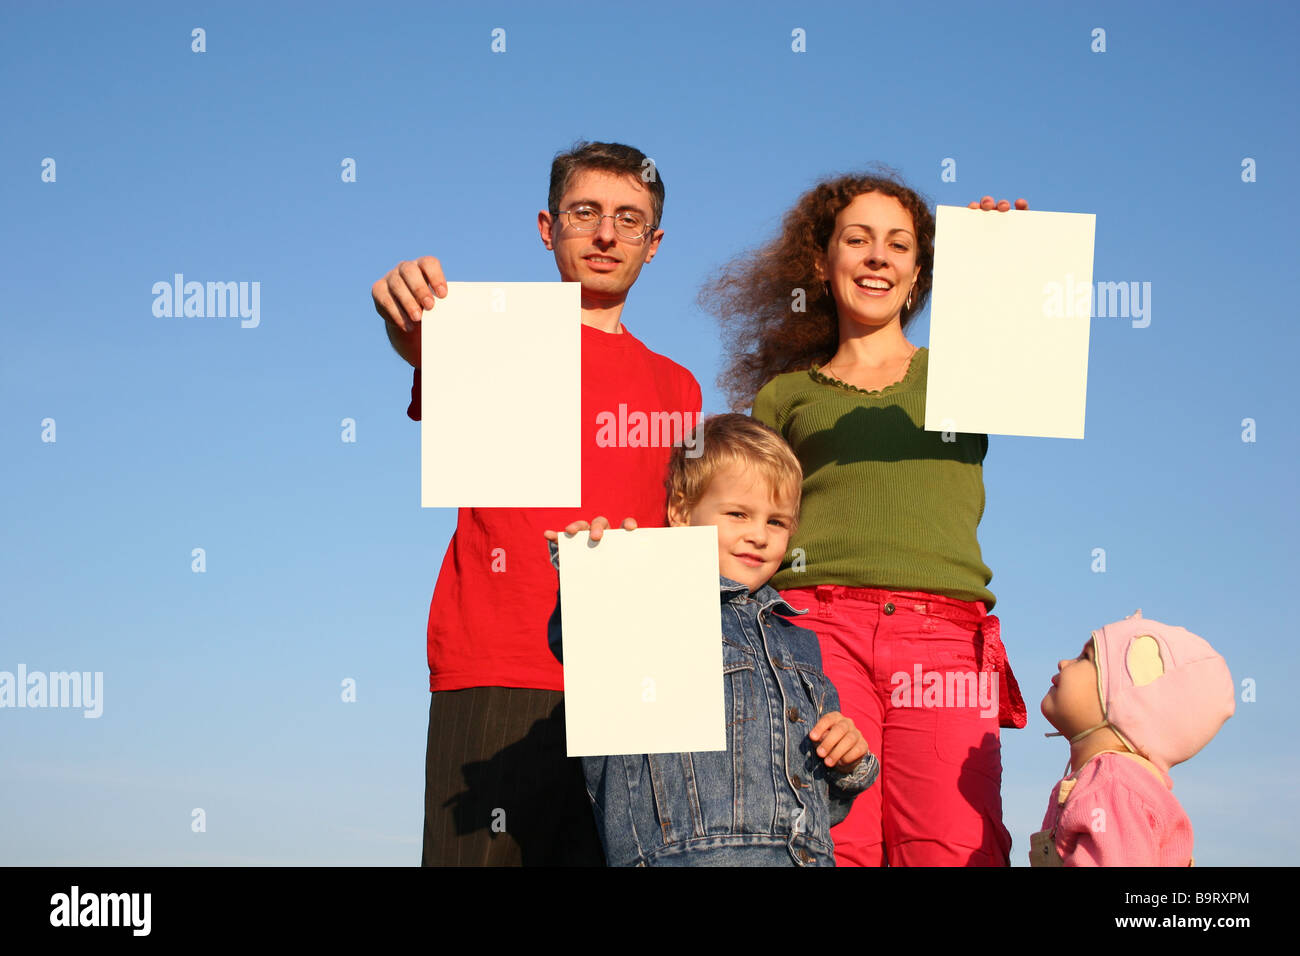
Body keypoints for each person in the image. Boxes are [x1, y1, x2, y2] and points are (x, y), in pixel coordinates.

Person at [371, 141, 701, 865]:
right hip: (499, 660)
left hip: (635, 679)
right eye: (586, 213)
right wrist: (407, 312)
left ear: (655, 243)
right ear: (549, 227)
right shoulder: (490, 339)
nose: (606, 234)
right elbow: (418, 341)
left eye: (629, 218)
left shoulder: (680, 388)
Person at [704, 170, 1028, 866]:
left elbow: (1029, 344)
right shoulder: (784, 396)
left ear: (919, 273)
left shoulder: (969, 373)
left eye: (898, 245)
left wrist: (1002, 258)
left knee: (954, 845)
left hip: (944, 637)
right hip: (816, 630)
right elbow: (739, 521)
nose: (877, 256)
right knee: (830, 839)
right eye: (858, 240)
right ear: (823, 265)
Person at [545, 414, 879, 865]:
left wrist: (846, 762)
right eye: (738, 514)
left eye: (778, 522)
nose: (758, 535)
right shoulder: (650, 599)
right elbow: (580, 646)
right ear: (682, 514)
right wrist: (598, 577)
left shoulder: (800, 644)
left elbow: (822, 806)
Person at [1032, 610, 1234, 866]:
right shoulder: (1120, 782)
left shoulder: (1114, 785)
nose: (1063, 662)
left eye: (1085, 657)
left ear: (1129, 703)